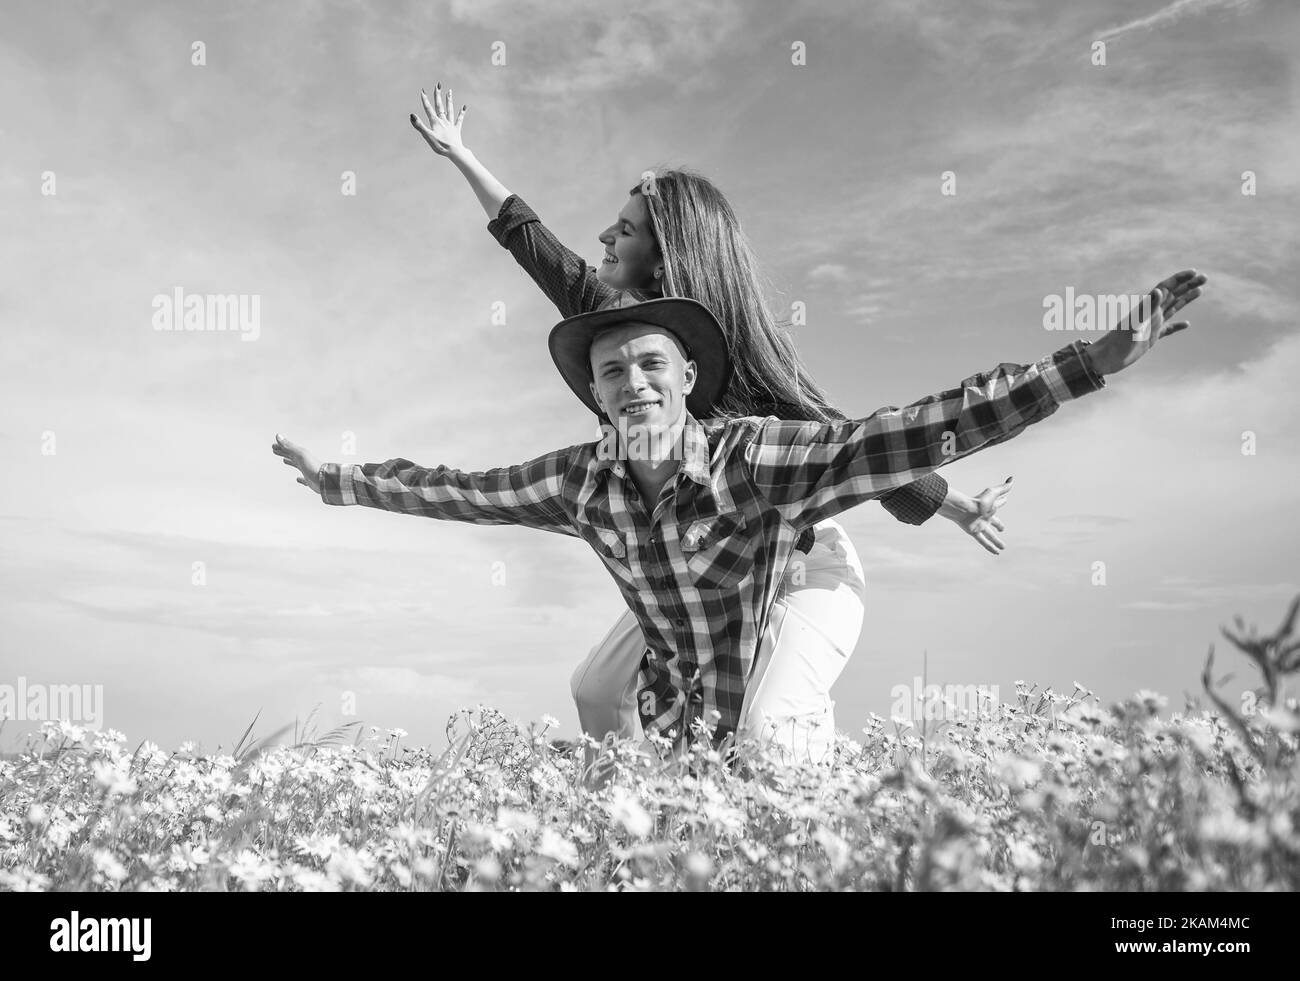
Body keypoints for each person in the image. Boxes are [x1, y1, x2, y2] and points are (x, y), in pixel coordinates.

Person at [272, 270, 1206, 758]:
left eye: (651, 367)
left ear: (686, 380)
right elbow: (461, 490)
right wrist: (344, 480)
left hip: (777, 645)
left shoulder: (751, 458)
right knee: (621, 718)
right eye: (611, 374)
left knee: (771, 753)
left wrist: (1087, 364)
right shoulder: (578, 482)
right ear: (596, 397)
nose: (632, 384)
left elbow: (913, 432)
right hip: (683, 715)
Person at [407, 83, 1016, 761]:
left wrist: (956, 505)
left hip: (797, 560)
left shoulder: (744, 361)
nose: (605, 236)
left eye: (626, 229)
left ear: (666, 254)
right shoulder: (612, 318)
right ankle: (634, 822)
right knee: (596, 686)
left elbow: (857, 448)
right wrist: (461, 154)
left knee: (770, 729)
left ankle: (819, 827)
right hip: (691, 556)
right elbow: (529, 240)